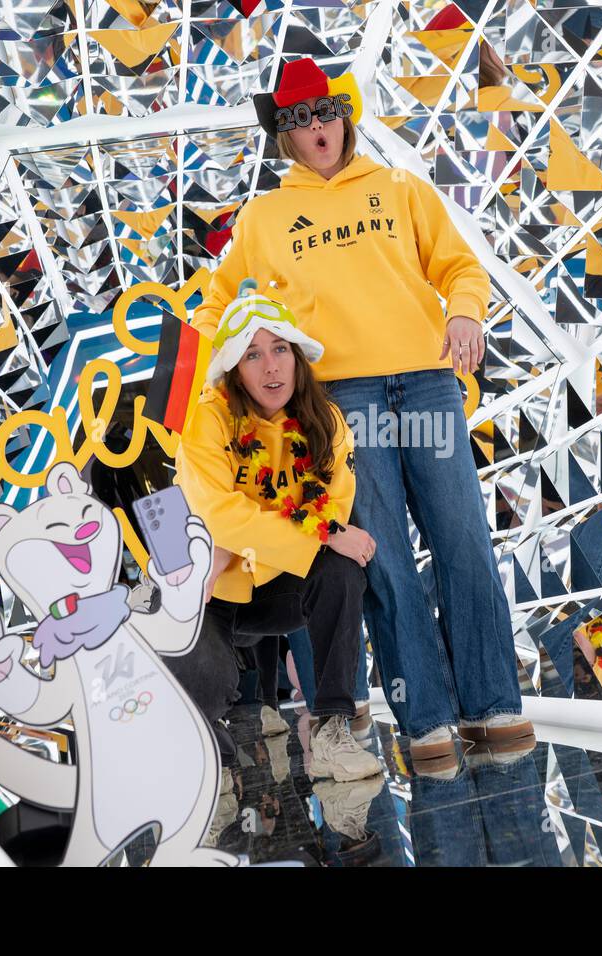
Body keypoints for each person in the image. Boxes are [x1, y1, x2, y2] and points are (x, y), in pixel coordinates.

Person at [192, 57, 533, 762]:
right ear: (283, 136)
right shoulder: (261, 217)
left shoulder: (401, 189)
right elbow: (218, 306)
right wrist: (208, 376)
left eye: (324, 112)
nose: (315, 127)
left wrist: (466, 313)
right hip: (344, 403)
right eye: (297, 119)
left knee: (464, 541)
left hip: (430, 384)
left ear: (343, 117)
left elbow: (460, 267)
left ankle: (495, 704)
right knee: (384, 562)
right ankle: (425, 722)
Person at [177, 286, 383, 783]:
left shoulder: (327, 423)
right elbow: (220, 517)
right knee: (202, 682)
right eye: (253, 354)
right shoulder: (205, 421)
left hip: (271, 582)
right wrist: (298, 538)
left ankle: (334, 730)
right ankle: (208, 753)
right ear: (233, 368)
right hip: (211, 590)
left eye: (280, 350)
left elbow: (329, 513)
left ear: (297, 357)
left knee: (341, 570)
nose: (271, 367)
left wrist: (246, 549)